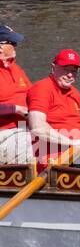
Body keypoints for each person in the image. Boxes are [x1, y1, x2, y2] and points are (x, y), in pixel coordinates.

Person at [26, 49, 80, 164]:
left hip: (79, 155)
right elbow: (38, 128)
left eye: (74, 71)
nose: (70, 75)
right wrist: (74, 142)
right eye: (65, 69)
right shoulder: (41, 89)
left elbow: (67, 124)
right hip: (56, 161)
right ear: (53, 68)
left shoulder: (76, 94)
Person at [0, 24, 32, 164]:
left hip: (26, 127)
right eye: (12, 43)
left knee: (69, 132)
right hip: (4, 133)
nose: (16, 46)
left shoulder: (15, 68)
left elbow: (33, 94)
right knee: (45, 147)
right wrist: (16, 109)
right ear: (0, 47)